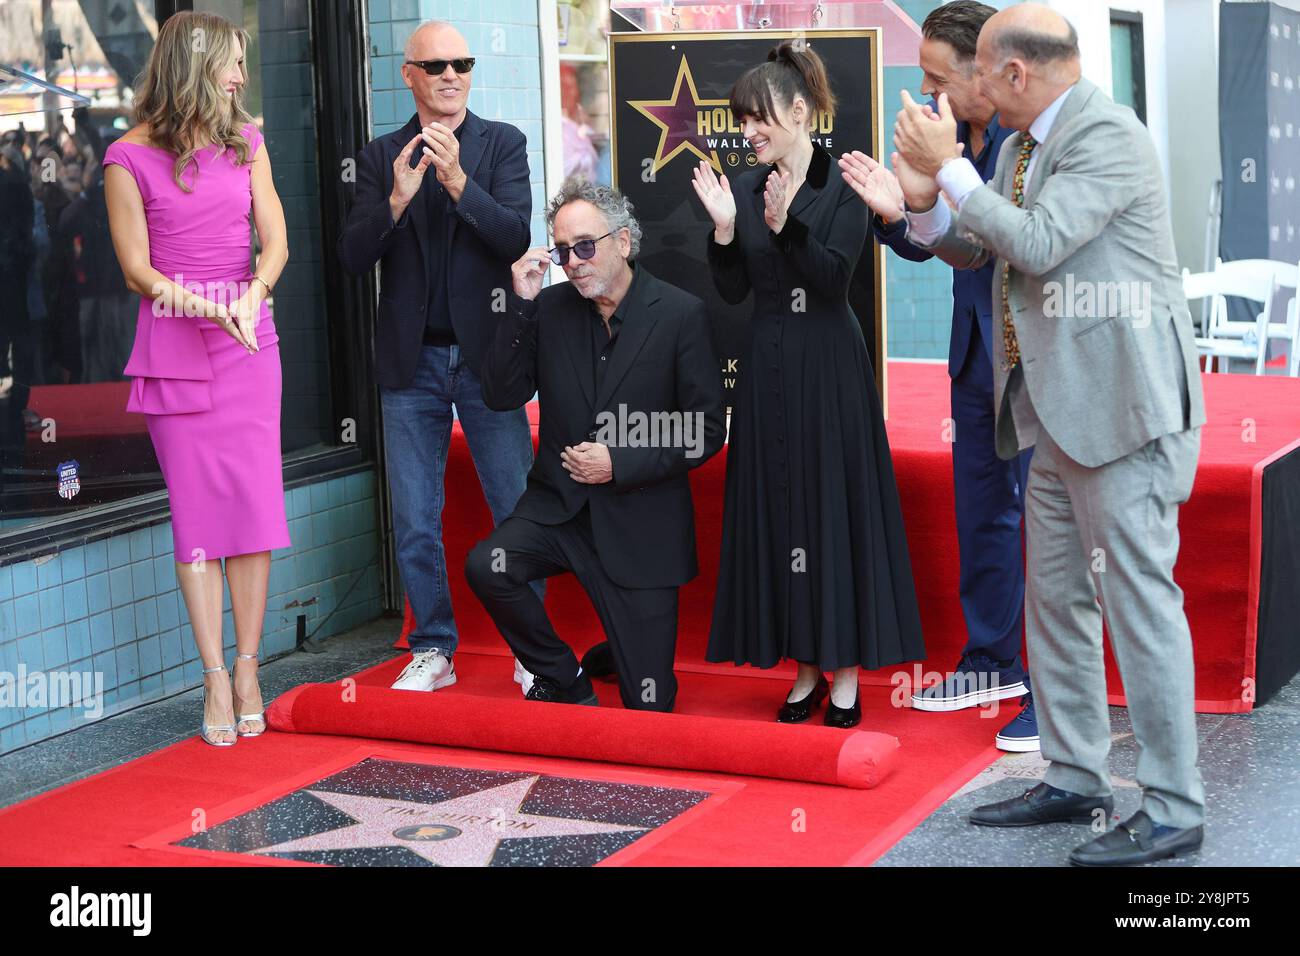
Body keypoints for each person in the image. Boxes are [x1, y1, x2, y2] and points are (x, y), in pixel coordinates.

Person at [892, 4, 1206, 865]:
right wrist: (921, 206)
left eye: (981, 76)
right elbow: (979, 245)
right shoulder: (1024, 144)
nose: (971, 93)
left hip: (1121, 411)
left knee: (1139, 606)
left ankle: (1176, 806)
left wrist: (951, 168)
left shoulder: (1107, 136)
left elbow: (1035, 241)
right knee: (1058, 605)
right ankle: (1075, 777)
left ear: (1018, 74)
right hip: (1052, 411)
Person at [693, 40, 925, 727]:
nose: (748, 132)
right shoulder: (745, 185)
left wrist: (784, 226)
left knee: (829, 515)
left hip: (828, 369)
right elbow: (733, 290)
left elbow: (830, 281)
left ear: (799, 111)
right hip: (766, 371)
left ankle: (845, 674)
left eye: (758, 119)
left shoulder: (845, 182)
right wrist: (727, 232)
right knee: (782, 513)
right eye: (741, 122)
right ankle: (804, 670)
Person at [839, 1, 1038, 752]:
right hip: (973, 355)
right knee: (982, 511)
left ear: (985, 71)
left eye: (935, 77)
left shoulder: (1033, 142)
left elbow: (1001, 243)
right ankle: (991, 661)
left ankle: (1051, 695)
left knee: (1044, 524)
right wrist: (902, 213)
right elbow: (942, 245)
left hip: (1036, 359)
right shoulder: (947, 132)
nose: (926, 94)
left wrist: (936, 190)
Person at [465, 180, 724, 711]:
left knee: (649, 705)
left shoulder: (679, 314)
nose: (573, 262)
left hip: (639, 524)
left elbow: (704, 428)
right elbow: (500, 394)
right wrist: (520, 304)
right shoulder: (550, 308)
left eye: (585, 246)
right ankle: (564, 676)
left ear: (623, 242)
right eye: (562, 251)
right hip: (559, 512)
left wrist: (619, 462)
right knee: (487, 565)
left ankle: (621, 652)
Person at [103, 11, 290, 746]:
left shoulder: (248, 143)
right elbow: (135, 269)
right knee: (198, 519)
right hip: (175, 347)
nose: (241, 76)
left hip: (249, 342)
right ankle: (213, 676)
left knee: (250, 510)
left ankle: (249, 667)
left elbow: (274, 241)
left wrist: (250, 296)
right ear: (194, 66)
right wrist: (207, 303)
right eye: (232, 63)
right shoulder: (126, 157)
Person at [338, 20, 539, 695]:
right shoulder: (378, 158)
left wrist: (456, 182)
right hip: (411, 364)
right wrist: (396, 198)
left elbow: (514, 236)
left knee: (515, 507)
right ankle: (432, 648)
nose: (451, 74)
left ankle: (531, 646)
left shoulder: (503, 145)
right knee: (416, 516)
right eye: (436, 65)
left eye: (462, 62)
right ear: (410, 75)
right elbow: (352, 257)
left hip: (488, 357)